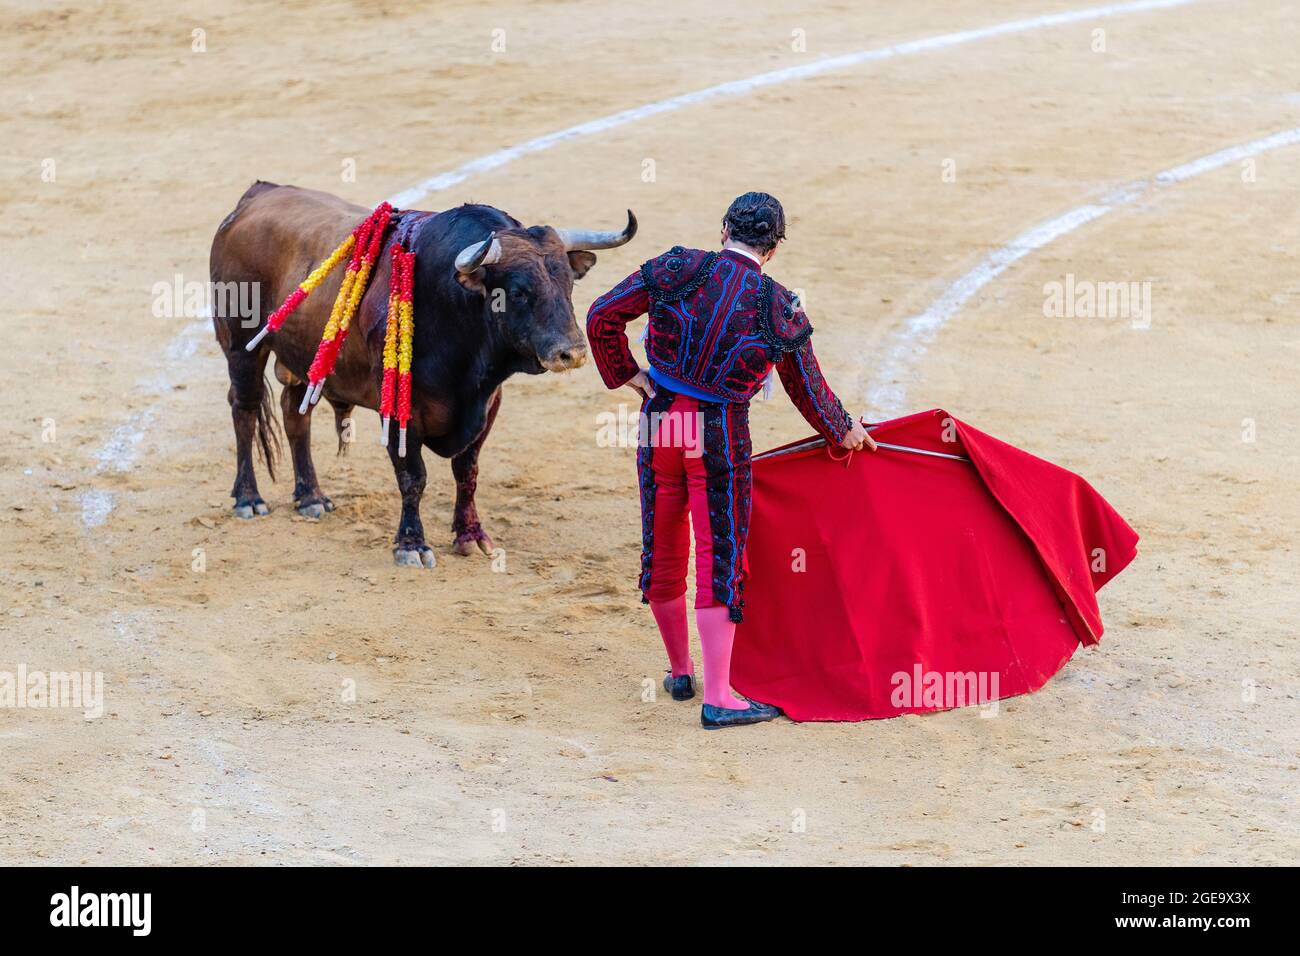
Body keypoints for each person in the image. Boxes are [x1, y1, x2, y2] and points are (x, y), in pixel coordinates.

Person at [586, 192, 874, 729]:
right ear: (776, 247)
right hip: (718, 434)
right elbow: (808, 393)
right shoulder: (779, 307)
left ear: (724, 229)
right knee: (719, 554)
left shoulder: (678, 267)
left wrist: (630, 374)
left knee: (663, 540)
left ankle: (679, 671)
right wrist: (846, 430)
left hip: (661, 419)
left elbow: (602, 316)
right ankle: (719, 694)